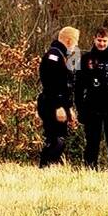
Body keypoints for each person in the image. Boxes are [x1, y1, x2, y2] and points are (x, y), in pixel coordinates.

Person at [75, 27, 108, 171]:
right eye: (99, 40)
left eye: (104, 41)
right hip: (92, 105)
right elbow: (78, 86)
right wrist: (80, 109)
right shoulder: (85, 59)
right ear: (94, 39)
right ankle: (89, 168)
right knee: (92, 141)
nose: (102, 44)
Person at [38, 27, 79, 168]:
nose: (76, 46)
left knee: (60, 140)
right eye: (75, 42)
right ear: (68, 40)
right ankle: (44, 168)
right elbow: (52, 86)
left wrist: (68, 109)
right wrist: (58, 107)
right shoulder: (53, 56)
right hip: (51, 104)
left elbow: (65, 87)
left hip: (60, 105)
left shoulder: (63, 56)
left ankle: (50, 168)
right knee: (55, 141)